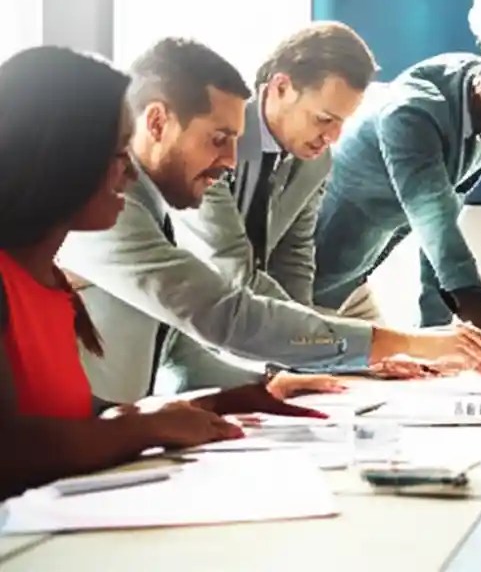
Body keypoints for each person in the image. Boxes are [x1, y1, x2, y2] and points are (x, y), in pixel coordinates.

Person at [57, 38, 481, 402]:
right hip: (71, 430)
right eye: (218, 139)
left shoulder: (161, 197)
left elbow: (176, 341)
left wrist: (278, 377)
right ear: (156, 123)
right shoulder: (100, 205)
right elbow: (224, 311)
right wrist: (410, 342)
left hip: (110, 416)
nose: (231, 161)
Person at [0, 46, 336, 498]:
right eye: (120, 152)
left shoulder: (51, 286)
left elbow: (76, 421)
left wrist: (215, 402)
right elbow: (13, 448)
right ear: (61, 155)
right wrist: (149, 427)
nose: (131, 176)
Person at [168, 22, 383, 388]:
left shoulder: (316, 163)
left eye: (342, 123)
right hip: (175, 337)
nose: (333, 137)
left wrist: (312, 356)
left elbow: (295, 262)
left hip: (236, 336)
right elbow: (231, 270)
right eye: (324, 119)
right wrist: (341, 348)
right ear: (281, 88)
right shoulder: (212, 141)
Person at [312, 34, 481, 338]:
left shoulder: (477, 90)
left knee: (405, 370)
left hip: (353, 283)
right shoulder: (412, 114)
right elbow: (435, 222)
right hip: (311, 283)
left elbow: (444, 218)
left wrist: (438, 328)